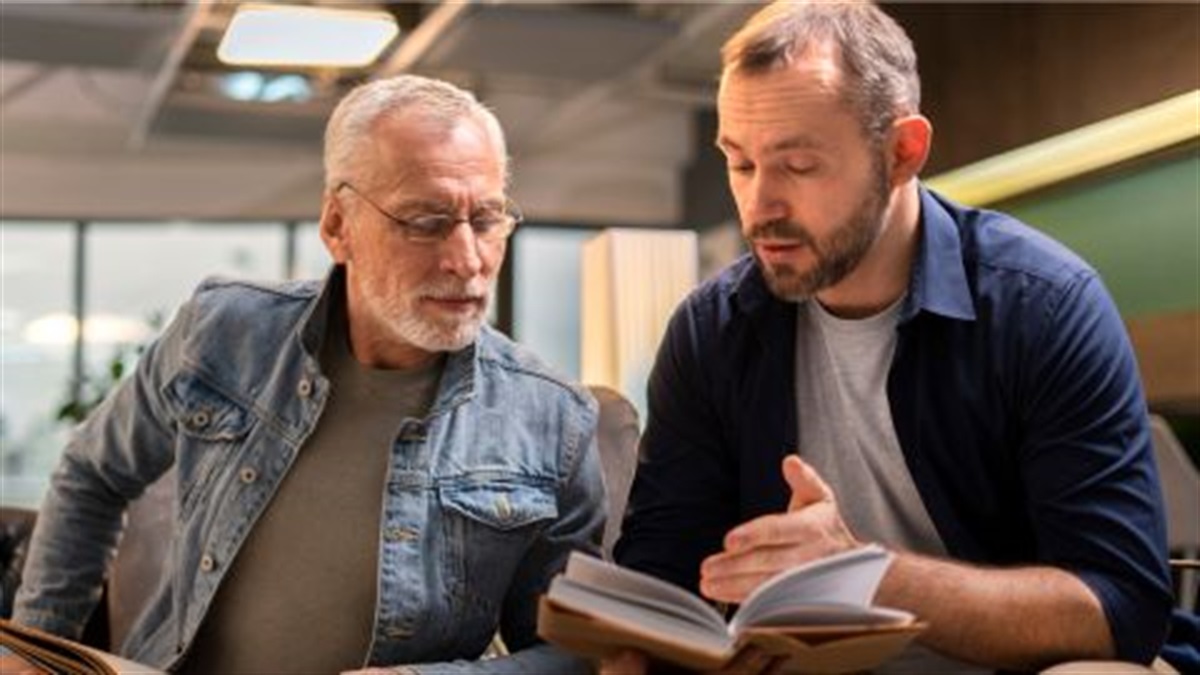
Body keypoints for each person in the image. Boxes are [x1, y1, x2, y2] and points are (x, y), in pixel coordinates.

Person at [609, 2, 1173, 673]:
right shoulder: (710, 332)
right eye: (740, 163)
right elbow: (662, 575)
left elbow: (1121, 611)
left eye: (799, 165)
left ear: (902, 152)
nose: (759, 206)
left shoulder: (1044, 306)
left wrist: (864, 573)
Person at [10, 74, 604, 674]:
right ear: (337, 226)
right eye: (425, 222)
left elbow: (574, 654)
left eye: (487, 219)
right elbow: (91, 473)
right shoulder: (222, 333)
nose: (467, 260)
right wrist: (38, 651)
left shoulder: (553, 418)